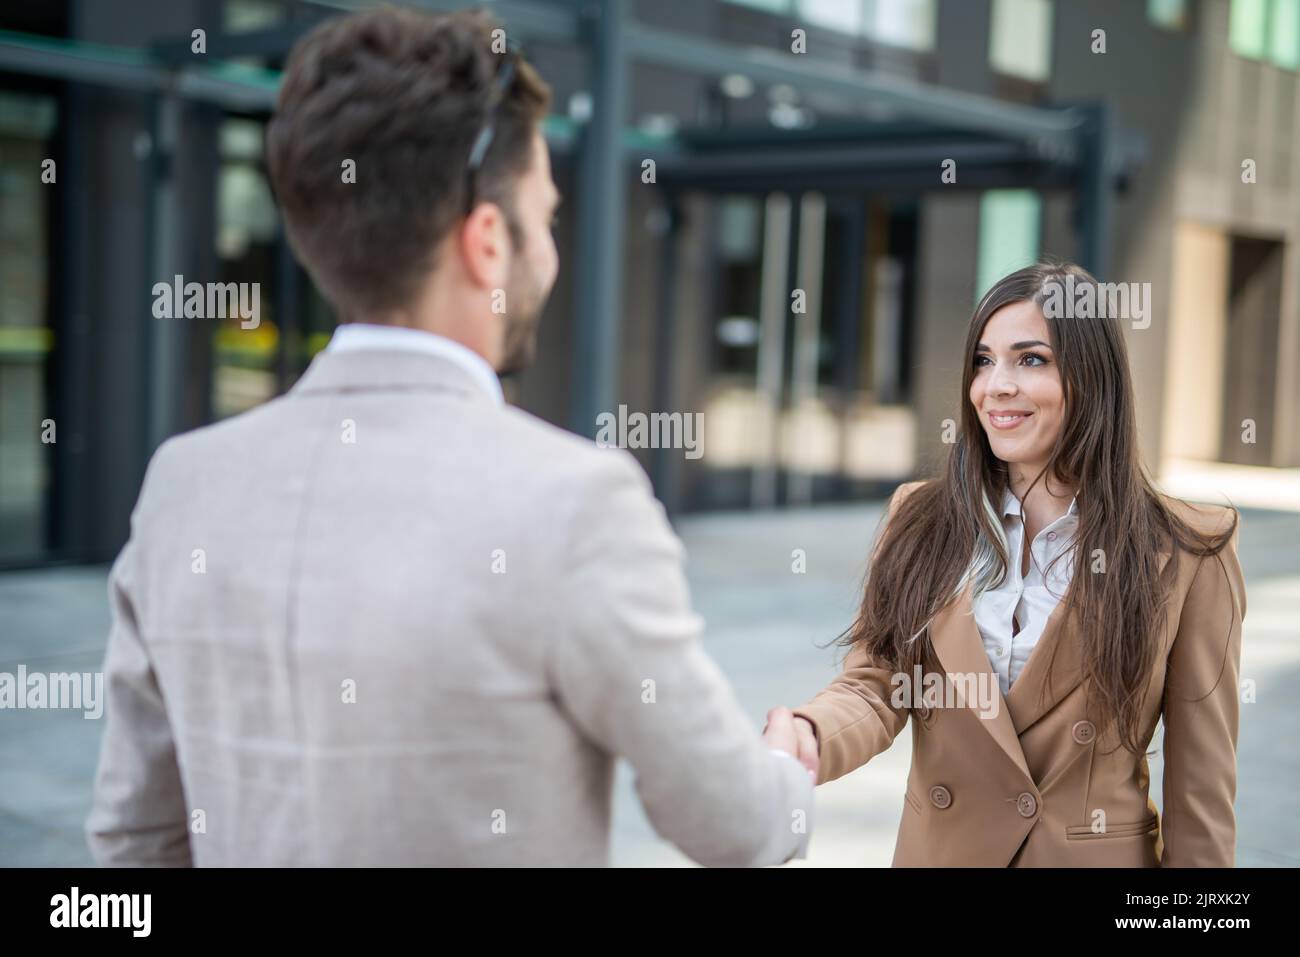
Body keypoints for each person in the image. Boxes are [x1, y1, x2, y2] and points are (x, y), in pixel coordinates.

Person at [86, 6, 813, 867]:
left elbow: (136, 840)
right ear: (486, 244)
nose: (551, 247)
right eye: (545, 217)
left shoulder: (184, 484)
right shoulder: (579, 504)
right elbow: (734, 825)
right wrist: (786, 771)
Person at [776, 260, 1245, 866]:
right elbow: (878, 684)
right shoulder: (920, 517)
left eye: (1030, 360)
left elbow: (1200, 790)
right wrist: (808, 735)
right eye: (983, 360)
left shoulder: (1187, 551)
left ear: (1091, 378)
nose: (995, 385)